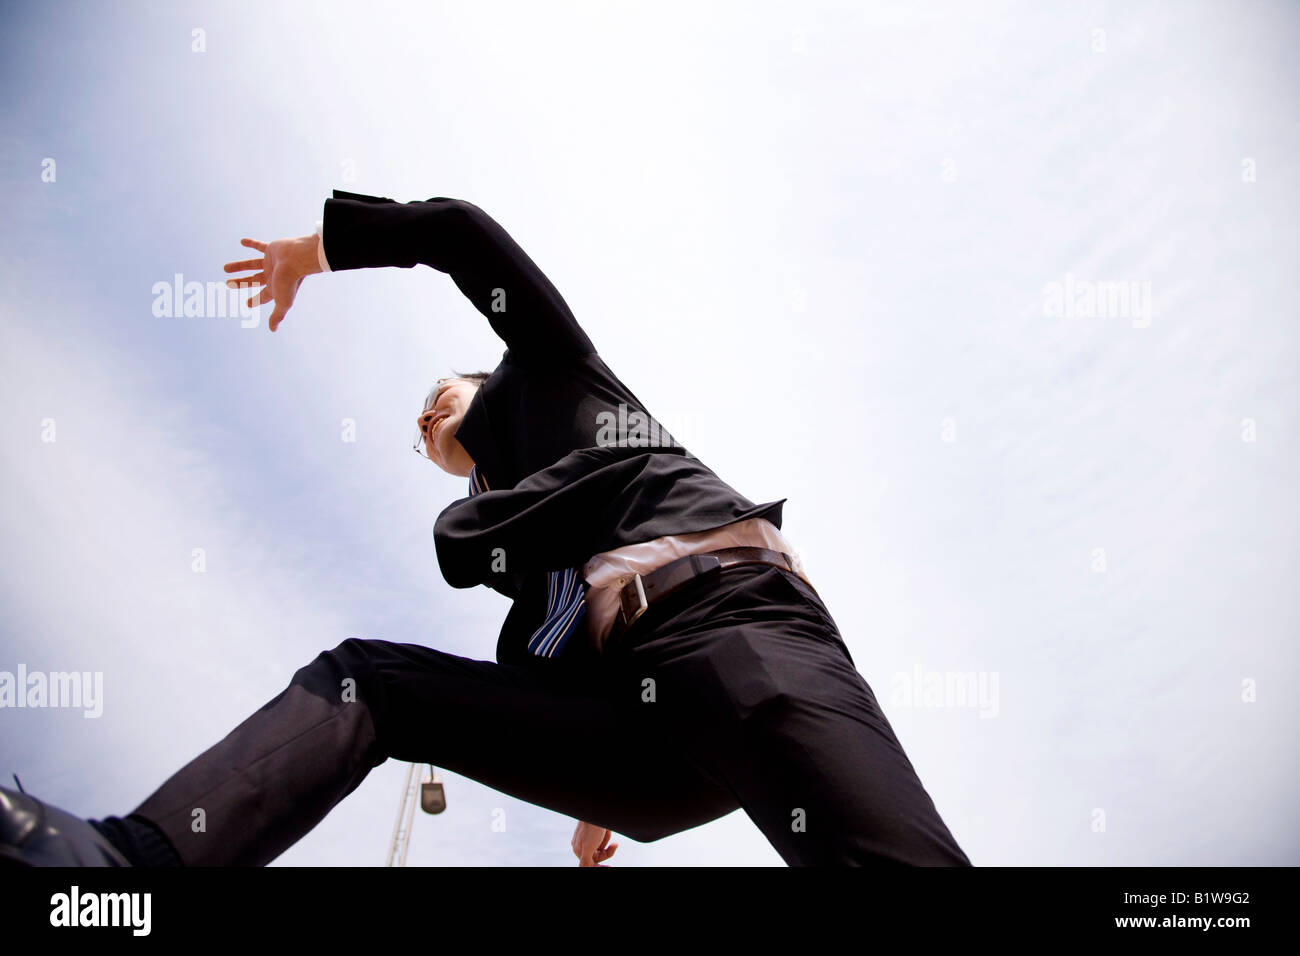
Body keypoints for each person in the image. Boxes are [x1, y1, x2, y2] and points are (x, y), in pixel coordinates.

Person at [0, 190, 972, 868]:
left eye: (436, 395)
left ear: (477, 378)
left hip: (731, 618)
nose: (426, 418)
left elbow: (457, 232)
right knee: (371, 682)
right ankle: (129, 859)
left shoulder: (553, 373)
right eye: (417, 429)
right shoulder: (514, 559)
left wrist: (317, 250)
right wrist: (594, 793)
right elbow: (562, 667)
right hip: (644, 740)